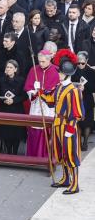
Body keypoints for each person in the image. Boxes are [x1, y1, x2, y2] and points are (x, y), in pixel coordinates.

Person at [41, 51, 83, 194]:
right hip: (58, 124)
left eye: (60, 73)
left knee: (71, 155)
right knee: (61, 154)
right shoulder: (58, 87)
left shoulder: (74, 91)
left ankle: (75, 183)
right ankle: (66, 179)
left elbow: (77, 114)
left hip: (68, 126)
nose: (58, 74)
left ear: (67, 74)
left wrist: (70, 130)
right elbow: (51, 100)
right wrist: (40, 92)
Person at [25, 49, 59, 160]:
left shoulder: (56, 71)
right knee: (35, 130)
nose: (41, 64)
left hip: (48, 108)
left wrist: (45, 93)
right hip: (36, 106)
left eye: (43, 61)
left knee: (47, 131)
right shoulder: (33, 69)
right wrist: (33, 92)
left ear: (50, 60)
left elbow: (57, 90)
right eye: (39, 61)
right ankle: (33, 157)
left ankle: (46, 157)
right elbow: (28, 88)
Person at [0, 60, 26, 154]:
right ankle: (8, 152)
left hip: (17, 110)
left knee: (16, 133)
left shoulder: (21, 80)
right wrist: (3, 100)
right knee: (6, 133)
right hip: (5, 109)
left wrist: (14, 100)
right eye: (7, 67)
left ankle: (15, 152)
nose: (8, 69)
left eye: (11, 67)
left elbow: (24, 96)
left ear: (15, 69)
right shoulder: (1, 80)